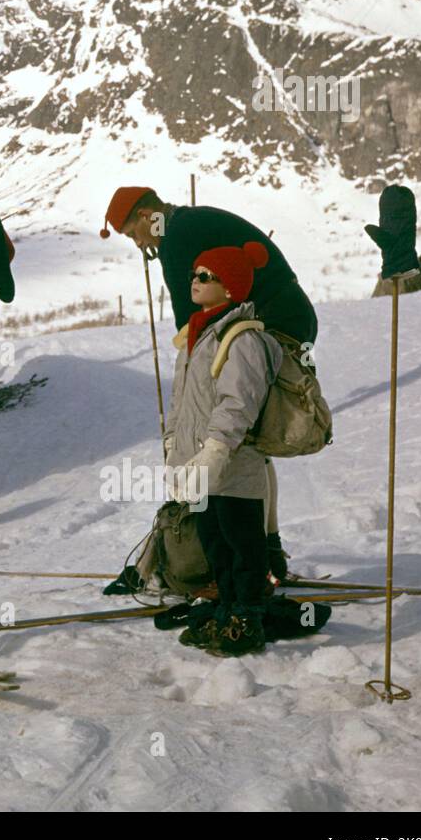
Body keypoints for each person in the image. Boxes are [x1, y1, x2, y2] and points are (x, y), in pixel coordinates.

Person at [101, 185, 315, 582]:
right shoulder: (188, 223)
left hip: (271, 323)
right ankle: (265, 552)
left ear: (148, 215)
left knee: (244, 436)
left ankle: (250, 560)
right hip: (287, 316)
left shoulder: (176, 237)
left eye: (134, 233)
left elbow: (194, 322)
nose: (138, 243)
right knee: (252, 438)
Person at [165, 243, 284, 656]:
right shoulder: (196, 334)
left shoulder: (243, 339)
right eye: (195, 273)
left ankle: (247, 618)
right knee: (215, 545)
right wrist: (173, 448)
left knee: (243, 547)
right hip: (198, 467)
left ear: (230, 288)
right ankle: (227, 611)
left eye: (205, 276)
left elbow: (238, 403)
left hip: (234, 467)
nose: (194, 281)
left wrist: (215, 451)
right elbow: (183, 402)